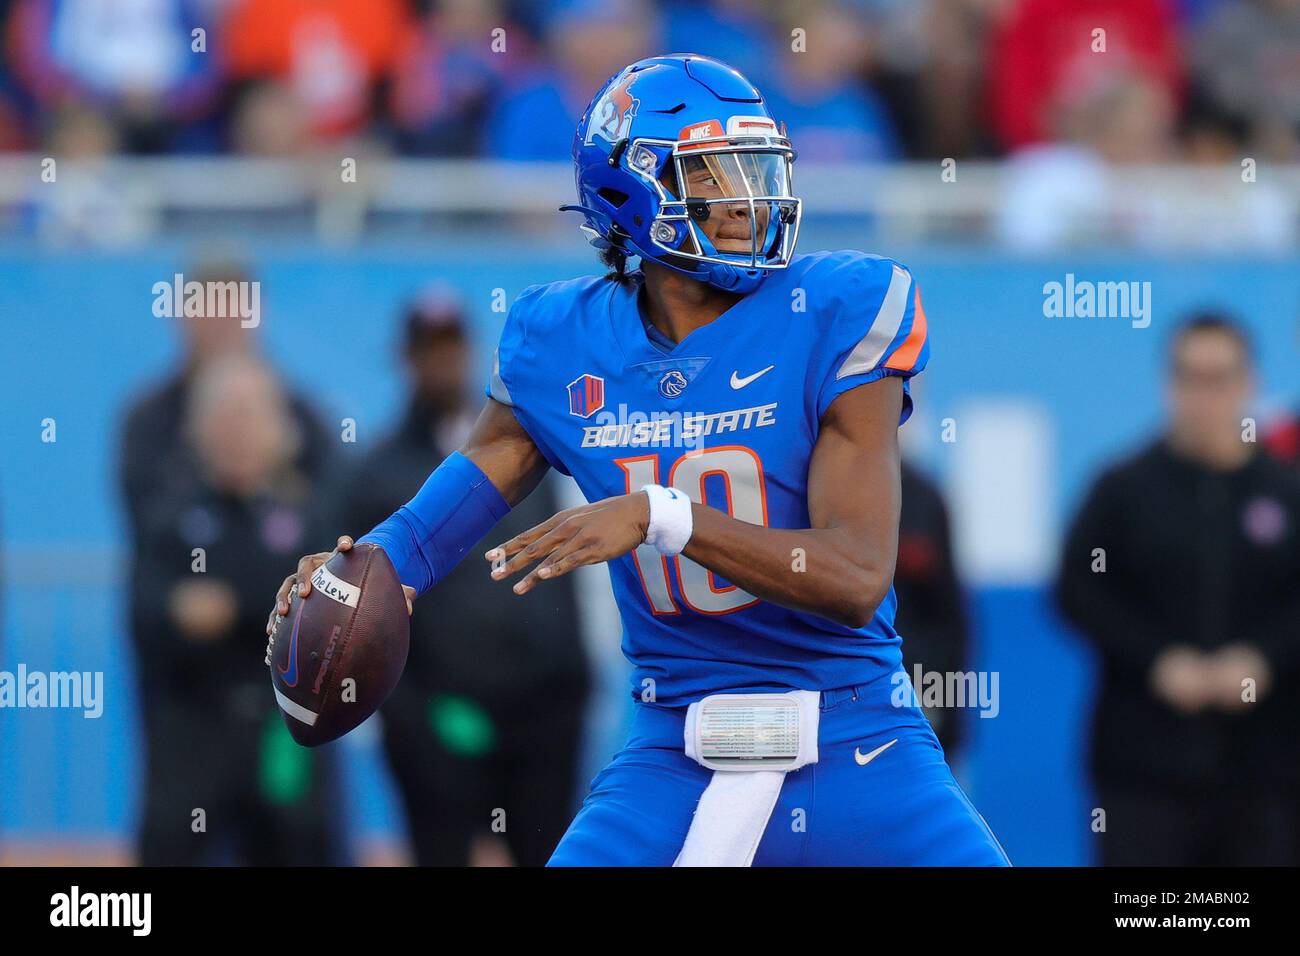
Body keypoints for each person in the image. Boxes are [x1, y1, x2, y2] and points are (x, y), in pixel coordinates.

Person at [270, 54, 1007, 866]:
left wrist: (663, 516)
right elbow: (422, 536)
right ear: (632, 193)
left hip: (858, 736)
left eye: (755, 167)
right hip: (676, 747)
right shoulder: (564, 342)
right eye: (715, 173)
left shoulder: (834, 308)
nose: (746, 197)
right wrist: (353, 574)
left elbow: (856, 577)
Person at [332, 288, 590, 866]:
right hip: (440, 716)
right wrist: (410, 720)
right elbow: (359, 598)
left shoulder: (524, 451)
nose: (443, 362)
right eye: (429, 349)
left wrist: (574, 686)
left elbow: (565, 572)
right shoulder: (376, 472)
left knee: (549, 855)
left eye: (452, 347)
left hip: (541, 714)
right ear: (406, 357)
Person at [1056, 314, 1300, 866]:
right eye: (1190, 378)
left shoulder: (1286, 492)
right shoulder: (1122, 490)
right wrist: (1158, 662)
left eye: (1219, 379)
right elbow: (1076, 591)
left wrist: (1263, 658)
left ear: (1249, 383)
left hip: (1268, 772)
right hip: (1142, 770)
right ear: (1169, 384)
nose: (1203, 397)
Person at [135, 355, 344, 865]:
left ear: (280, 429)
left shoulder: (308, 517)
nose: (236, 432)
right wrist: (182, 611)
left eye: (249, 416)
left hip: (284, 728)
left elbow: (324, 615)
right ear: (197, 430)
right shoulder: (172, 516)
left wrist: (230, 605)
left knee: (300, 847)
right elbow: (146, 612)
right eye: (223, 417)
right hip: (195, 727)